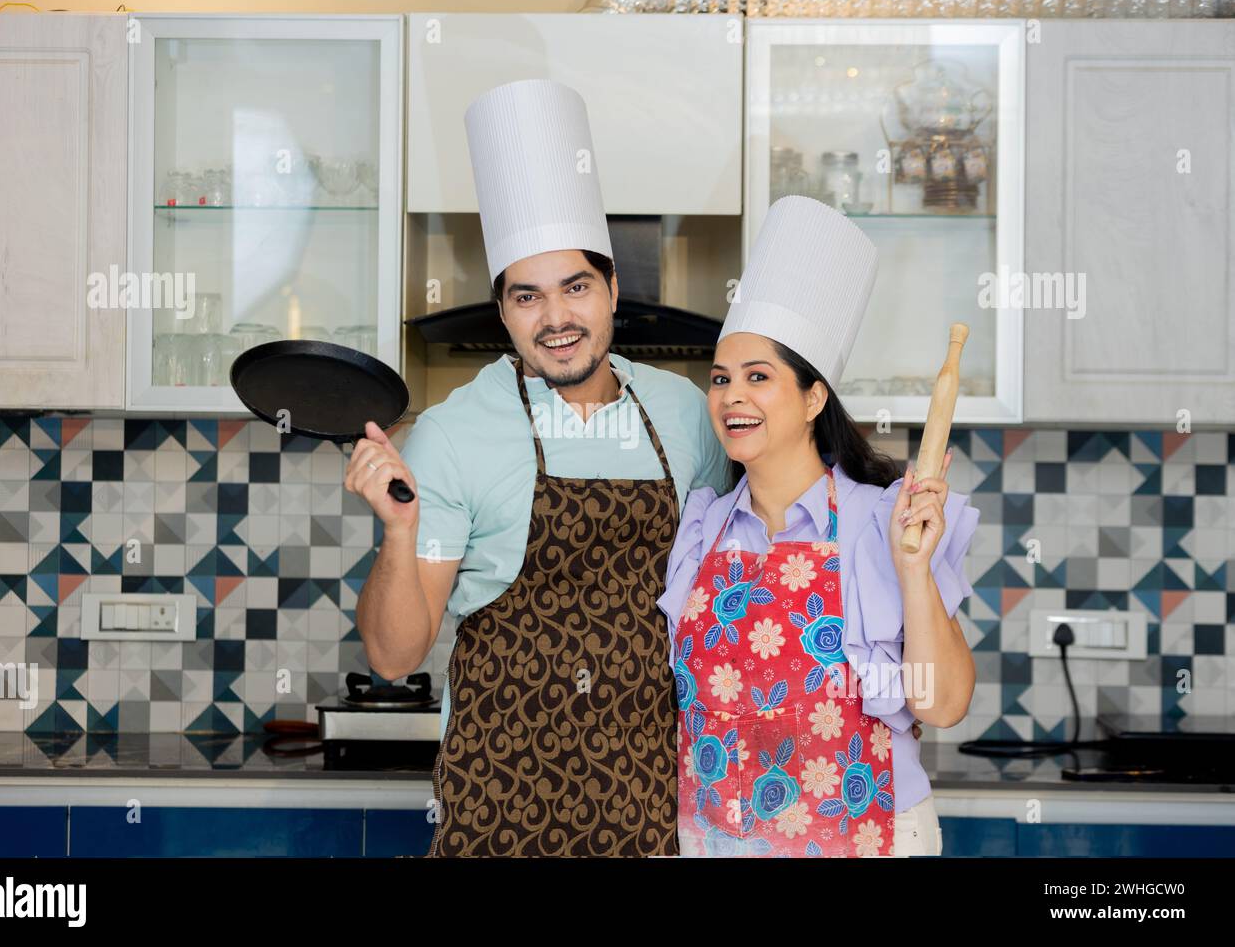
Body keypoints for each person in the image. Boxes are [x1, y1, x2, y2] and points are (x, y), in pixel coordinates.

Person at [344, 79, 733, 856]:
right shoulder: (450, 437)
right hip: (497, 795)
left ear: (614, 288)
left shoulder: (686, 413)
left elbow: (733, 587)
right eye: (528, 297)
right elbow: (392, 658)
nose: (556, 320)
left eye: (576, 288)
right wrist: (398, 531)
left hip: (653, 793)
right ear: (503, 311)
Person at [657, 195, 979, 858]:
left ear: (813, 396)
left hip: (867, 838)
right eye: (720, 379)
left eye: (757, 377)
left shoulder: (877, 523)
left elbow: (941, 705)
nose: (731, 396)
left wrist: (914, 571)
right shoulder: (702, 532)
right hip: (718, 842)